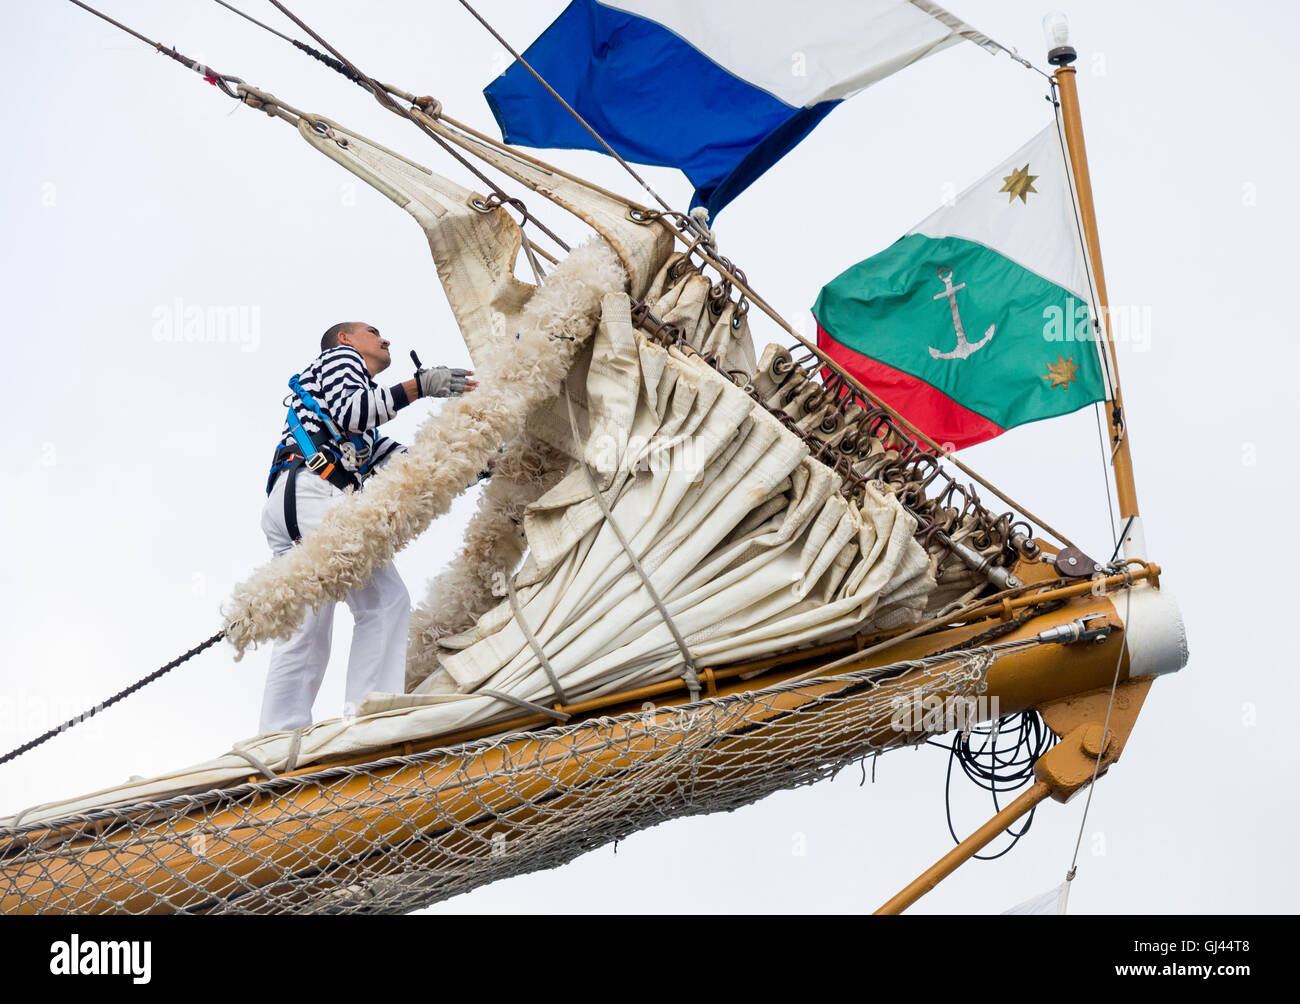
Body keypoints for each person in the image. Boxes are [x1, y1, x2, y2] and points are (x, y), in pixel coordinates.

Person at [258, 321, 476, 734]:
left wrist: (478, 457)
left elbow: (411, 465)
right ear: (345, 339)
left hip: (294, 501)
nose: (386, 339)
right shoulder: (340, 359)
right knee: (385, 600)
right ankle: (370, 719)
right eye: (373, 331)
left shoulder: (360, 438)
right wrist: (420, 386)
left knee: (306, 624)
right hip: (313, 495)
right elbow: (355, 409)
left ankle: (276, 735)